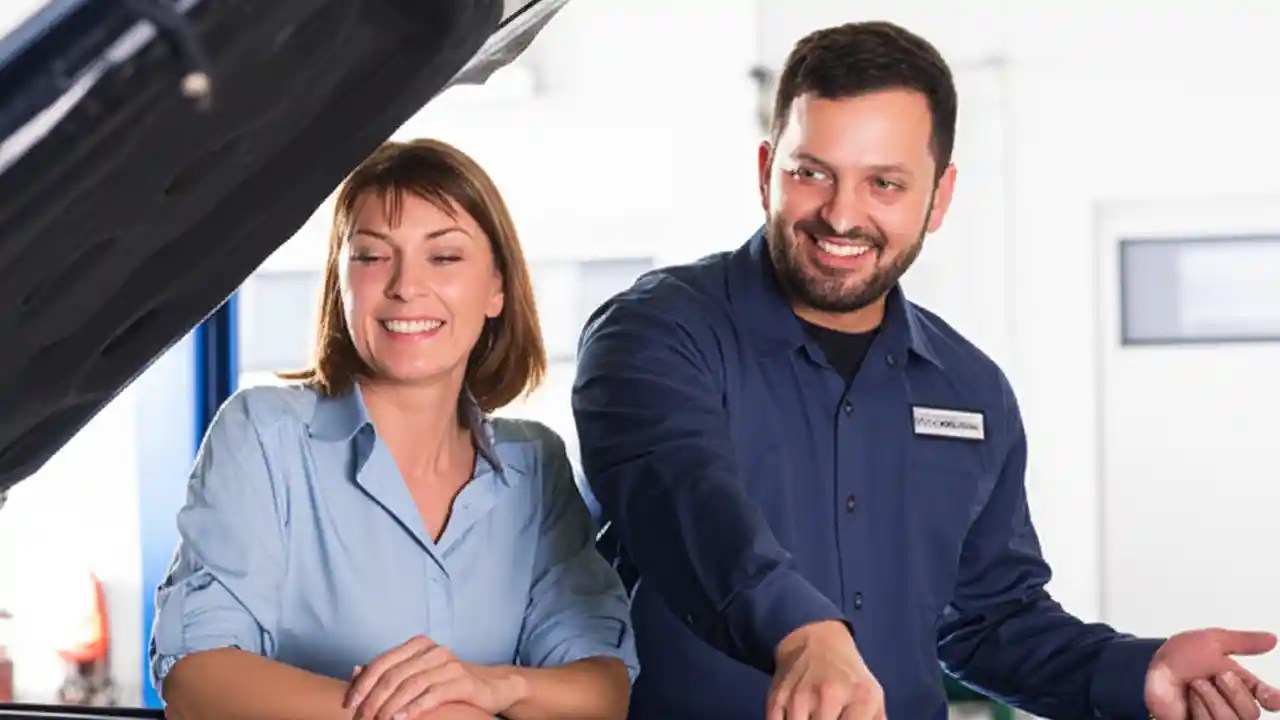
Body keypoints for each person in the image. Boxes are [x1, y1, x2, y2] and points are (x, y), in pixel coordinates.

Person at [571, 20, 1278, 720]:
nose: (841, 215)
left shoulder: (971, 390)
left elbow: (992, 620)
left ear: (939, 197)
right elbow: (689, 509)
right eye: (811, 173)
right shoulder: (655, 335)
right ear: (766, 172)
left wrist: (1138, 672)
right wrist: (802, 634)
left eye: (884, 183)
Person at [150, 139, 637, 720]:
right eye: (372, 256)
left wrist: (495, 687)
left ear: (496, 288)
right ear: (341, 284)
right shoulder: (263, 435)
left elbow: (601, 691)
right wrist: (429, 716)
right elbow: (197, 675)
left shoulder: (535, 463)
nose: (406, 285)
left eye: (445, 257)